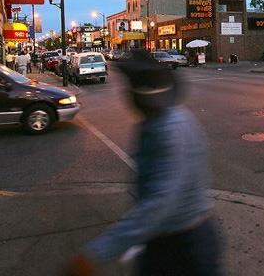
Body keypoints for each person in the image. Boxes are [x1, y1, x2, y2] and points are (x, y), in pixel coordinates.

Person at [66, 49, 221, 276]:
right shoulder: (165, 120)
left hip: (183, 244)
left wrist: (97, 253)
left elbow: (160, 201)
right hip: (170, 238)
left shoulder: (167, 128)